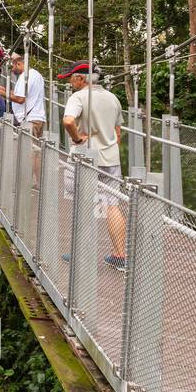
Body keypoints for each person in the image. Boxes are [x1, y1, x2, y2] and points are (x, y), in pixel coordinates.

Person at [59, 62, 127, 270]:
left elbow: (68, 121)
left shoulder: (78, 97)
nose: (70, 81)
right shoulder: (113, 98)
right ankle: (120, 255)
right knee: (112, 205)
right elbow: (117, 134)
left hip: (85, 158)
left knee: (83, 204)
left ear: (82, 79)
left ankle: (81, 253)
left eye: (72, 77)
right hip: (110, 159)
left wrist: (78, 140)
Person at [0, 53, 46, 138]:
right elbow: (27, 95)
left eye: (11, 67)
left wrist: (2, 93)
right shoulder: (35, 74)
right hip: (35, 118)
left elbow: (20, 99)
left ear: (19, 64)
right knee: (34, 149)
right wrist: (5, 90)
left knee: (29, 149)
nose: (11, 71)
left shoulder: (26, 76)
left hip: (30, 121)